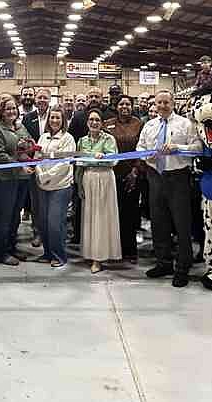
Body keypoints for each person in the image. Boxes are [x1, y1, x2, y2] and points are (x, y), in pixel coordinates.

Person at [136, 90, 199, 288]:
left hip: (178, 178)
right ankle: (163, 263)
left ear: (173, 103)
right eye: (159, 102)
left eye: (166, 102)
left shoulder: (185, 124)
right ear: (154, 104)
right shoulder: (150, 125)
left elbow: (198, 147)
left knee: (182, 224)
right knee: (158, 222)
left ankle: (183, 267)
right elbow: (140, 148)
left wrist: (178, 148)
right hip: (155, 177)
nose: (162, 106)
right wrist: (148, 157)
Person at [0, 95, 34, 265]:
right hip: (3, 179)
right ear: (1, 111)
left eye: (14, 108)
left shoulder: (19, 128)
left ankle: (11, 247)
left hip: (19, 179)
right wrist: (19, 165)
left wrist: (31, 147)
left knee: (15, 216)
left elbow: (29, 145)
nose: (11, 111)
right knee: (3, 217)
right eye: (8, 108)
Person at [76, 108, 121, 273]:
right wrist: (79, 185)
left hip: (105, 179)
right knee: (89, 217)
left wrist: (98, 159)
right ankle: (90, 253)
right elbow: (80, 164)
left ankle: (100, 257)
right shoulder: (81, 141)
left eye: (97, 120)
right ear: (87, 122)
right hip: (88, 179)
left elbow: (112, 161)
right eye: (91, 120)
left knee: (102, 217)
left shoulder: (109, 139)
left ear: (102, 123)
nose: (94, 123)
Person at [34, 105, 76, 267]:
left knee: (55, 222)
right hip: (42, 185)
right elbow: (36, 157)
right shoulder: (43, 137)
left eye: (58, 117)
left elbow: (65, 163)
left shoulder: (68, 138)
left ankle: (59, 256)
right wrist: (40, 173)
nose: (54, 120)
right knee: (43, 222)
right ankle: (47, 253)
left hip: (60, 186)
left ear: (63, 120)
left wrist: (47, 176)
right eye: (52, 117)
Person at [104, 95, 143, 263]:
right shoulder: (108, 125)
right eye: (121, 104)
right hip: (111, 174)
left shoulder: (139, 124)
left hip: (132, 176)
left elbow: (143, 149)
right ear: (116, 106)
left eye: (128, 104)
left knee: (130, 213)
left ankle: (130, 250)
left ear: (132, 106)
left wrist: (135, 172)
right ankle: (113, 249)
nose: (124, 106)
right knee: (113, 213)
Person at [22, 88, 51, 247]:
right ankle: (37, 232)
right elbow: (25, 141)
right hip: (34, 166)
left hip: (52, 166)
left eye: (45, 98)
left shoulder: (55, 115)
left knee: (50, 201)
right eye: (39, 97)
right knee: (36, 202)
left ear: (49, 100)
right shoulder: (28, 118)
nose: (41, 100)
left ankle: (50, 232)